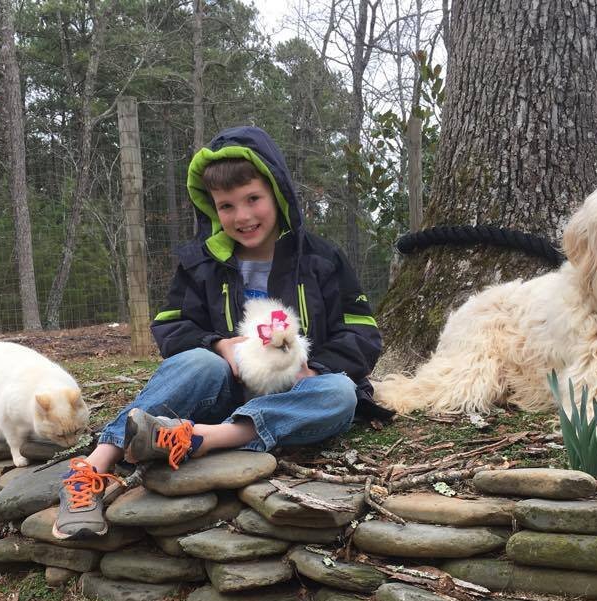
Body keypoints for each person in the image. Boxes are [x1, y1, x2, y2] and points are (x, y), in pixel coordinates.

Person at [53, 126, 384, 540]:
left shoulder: (321, 260)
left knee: (341, 395)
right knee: (196, 361)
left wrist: (313, 370)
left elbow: (362, 331)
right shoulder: (200, 264)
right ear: (211, 208)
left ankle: (198, 440)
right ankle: (89, 471)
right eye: (227, 206)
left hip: (295, 393)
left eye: (253, 199)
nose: (243, 216)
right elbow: (172, 325)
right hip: (224, 387)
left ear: (278, 194)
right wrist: (219, 345)